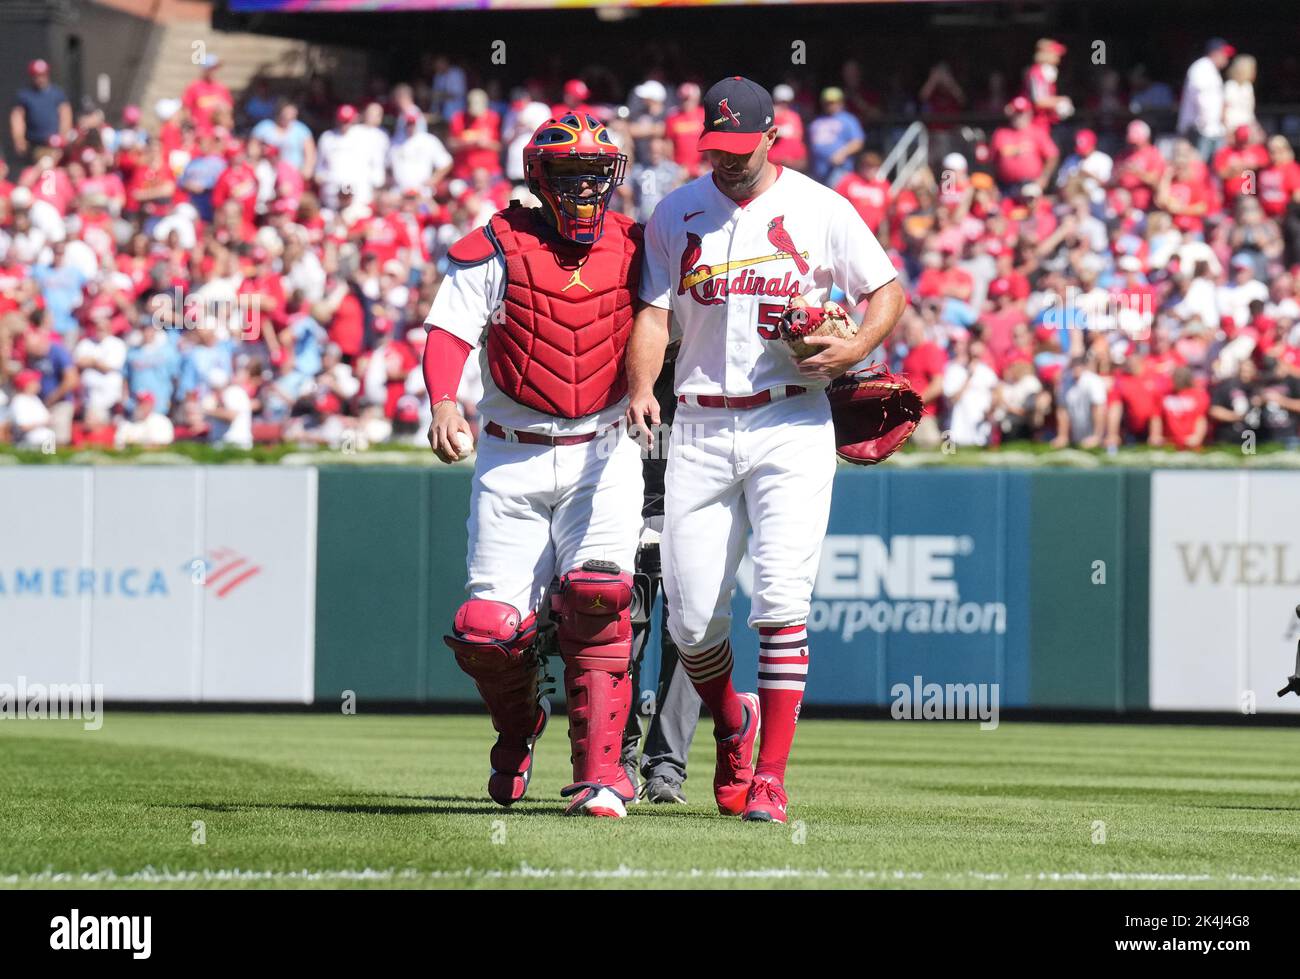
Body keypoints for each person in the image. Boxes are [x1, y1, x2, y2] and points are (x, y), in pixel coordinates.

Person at [625, 76, 905, 822]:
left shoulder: (819, 207)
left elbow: (887, 291)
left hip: (791, 421)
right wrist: (642, 386)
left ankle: (770, 778)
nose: (727, 161)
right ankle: (732, 720)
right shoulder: (678, 209)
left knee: (781, 601)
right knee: (689, 620)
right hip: (700, 424)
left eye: (740, 149)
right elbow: (653, 312)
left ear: (772, 139)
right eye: (715, 148)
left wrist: (852, 353)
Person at [424, 112, 645, 819]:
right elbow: (448, 329)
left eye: (593, 174)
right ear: (537, 177)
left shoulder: (640, 245)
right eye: (568, 174)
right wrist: (441, 402)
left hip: (604, 447)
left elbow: (680, 317)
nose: (583, 189)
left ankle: (602, 775)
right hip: (510, 452)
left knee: (600, 594)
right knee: (488, 628)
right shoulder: (495, 245)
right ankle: (519, 723)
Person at [1177, 38, 1234, 160]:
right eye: (1224, 54)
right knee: (1198, 167)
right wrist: (1204, 125)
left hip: (1211, 129)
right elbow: (1201, 99)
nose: (1226, 58)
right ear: (1215, 53)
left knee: (1213, 168)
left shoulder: (1211, 69)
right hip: (1200, 129)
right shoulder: (1201, 68)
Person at [10, 60, 71, 162]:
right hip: (35, 144)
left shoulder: (57, 94)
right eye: (37, 75)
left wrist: (64, 136)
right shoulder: (25, 96)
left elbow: (65, 114)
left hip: (56, 144)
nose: (40, 78)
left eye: (43, 75)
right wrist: (19, 139)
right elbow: (17, 118)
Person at [807, 87, 864, 187]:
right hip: (817, 170)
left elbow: (858, 142)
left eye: (833, 102)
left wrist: (842, 153)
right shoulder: (816, 121)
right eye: (827, 102)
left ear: (841, 102)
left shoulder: (848, 120)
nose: (830, 105)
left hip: (839, 170)